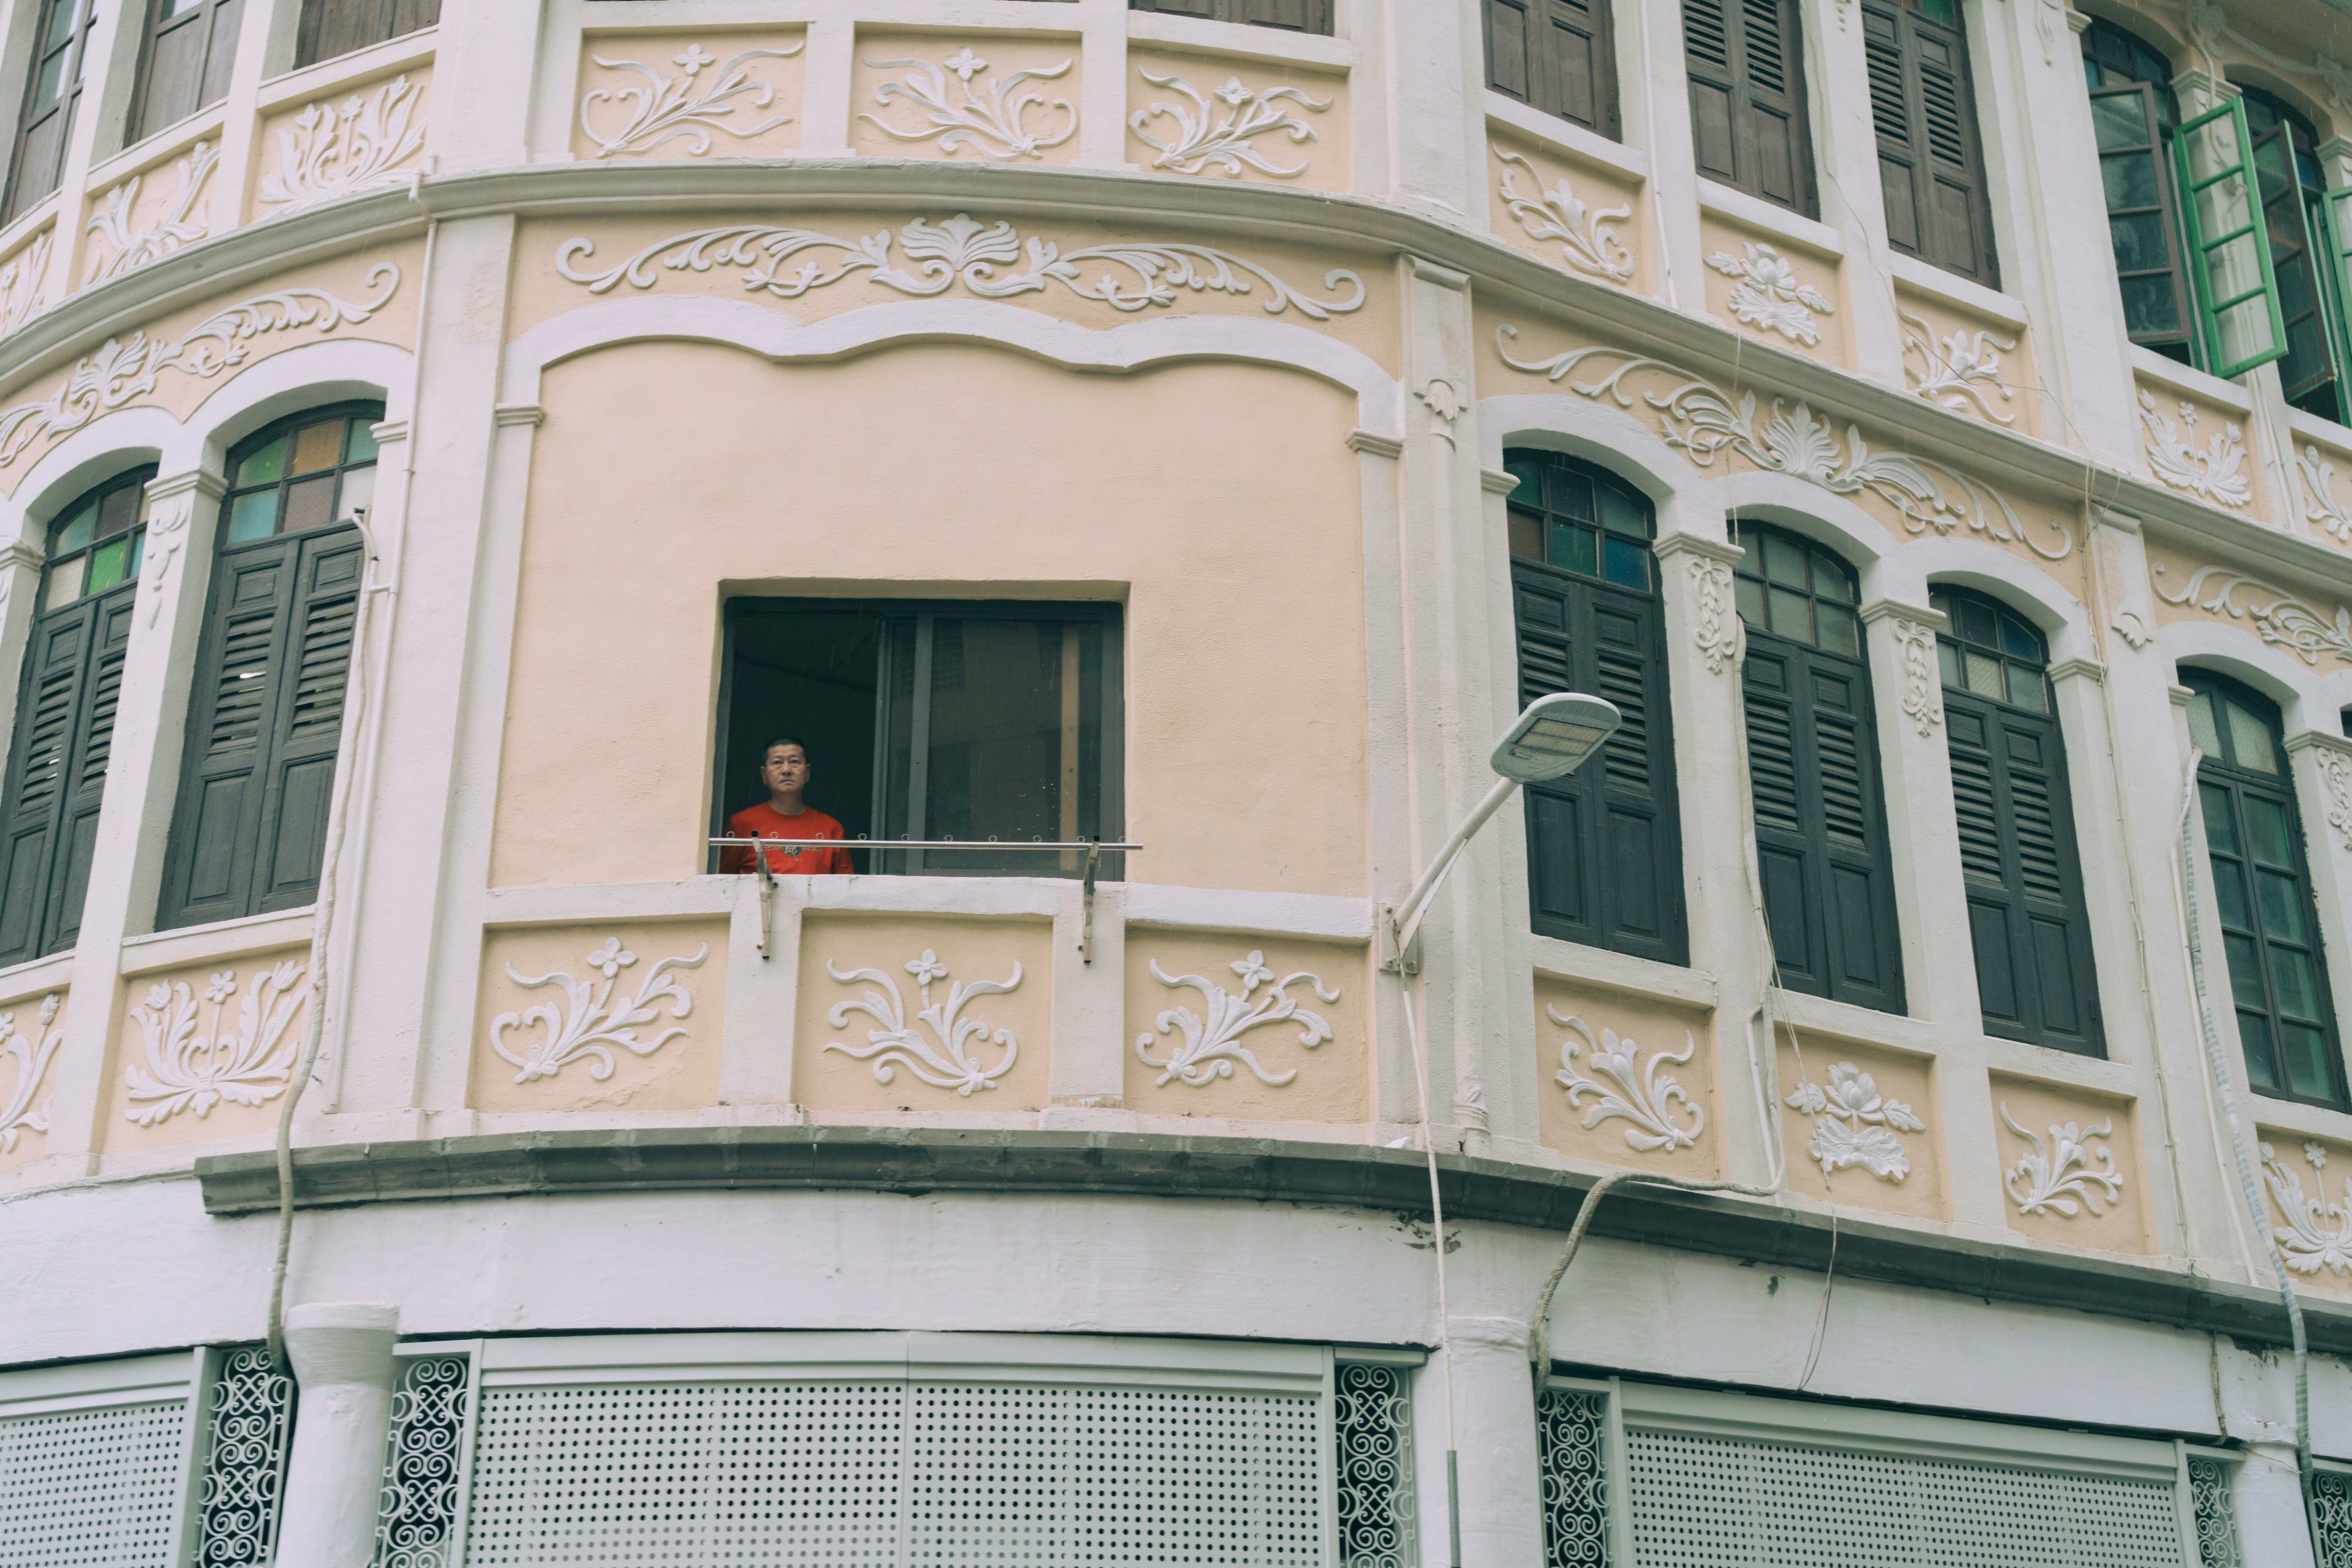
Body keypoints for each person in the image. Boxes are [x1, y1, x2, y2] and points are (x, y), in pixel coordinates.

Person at [721, 738, 855, 876]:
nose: (786, 770)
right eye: (777, 763)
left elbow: (846, 885)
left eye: (794, 762)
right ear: (764, 775)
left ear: (807, 772)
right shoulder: (741, 824)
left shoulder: (831, 828)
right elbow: (720, 881)